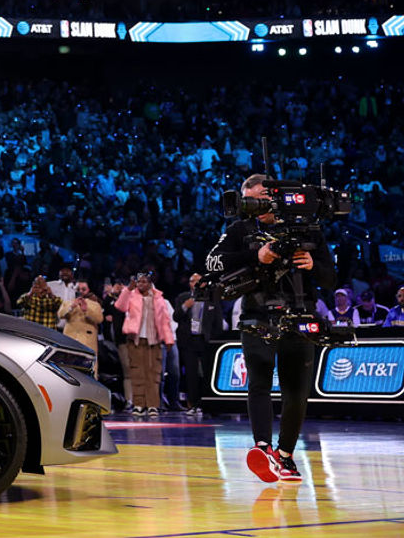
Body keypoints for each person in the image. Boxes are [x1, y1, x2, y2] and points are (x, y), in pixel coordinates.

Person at [205, 173, 336, 484]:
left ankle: (286, 456)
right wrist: (256, 255)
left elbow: (331, 279)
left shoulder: (308, 228)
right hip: (257, 315)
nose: (257, 206)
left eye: (262, 199)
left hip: (301, 314)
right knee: (259, 380)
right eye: (251, 201)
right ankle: (262, 449)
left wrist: (312, 265)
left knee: (297, 391)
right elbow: (212, 263)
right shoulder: (240, 229)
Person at [114, 273, 174, 418]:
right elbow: (119, 306)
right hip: (136, 339)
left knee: (153, 375)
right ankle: (139, 405)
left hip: (154, 340)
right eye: (139, 281)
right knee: (137, 373)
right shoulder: (131, 295)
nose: (140, 284)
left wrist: (169, 340)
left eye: (144, 282)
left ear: (149, 283)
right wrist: (128, 289)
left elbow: (165, 320)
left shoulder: (159, 298)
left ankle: (153, 405)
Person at [173, 272, 228, 416]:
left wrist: (215, 340)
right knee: (191, 374)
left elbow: (218, 322)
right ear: (189, 284)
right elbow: (176, 317)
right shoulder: (182, 298)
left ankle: (207, 404)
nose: (196, 284)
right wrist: (185, 306)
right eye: (193, 281)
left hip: (206, 341)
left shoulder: (212, 298)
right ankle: (193, 405)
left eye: (199, 281)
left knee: (208, 373)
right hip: (189, 341)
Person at [58, 281, 104, 375]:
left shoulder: (94, 304)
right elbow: (60, 314)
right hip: (70, 340)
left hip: (87, 342)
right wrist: (72, 307)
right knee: (69, 371)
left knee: (87, 371)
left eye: (83, 289)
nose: (81, 291)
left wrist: (86, 310)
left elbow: (99, 319)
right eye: (78, 289)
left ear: (88, 290)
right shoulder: (68, 302)